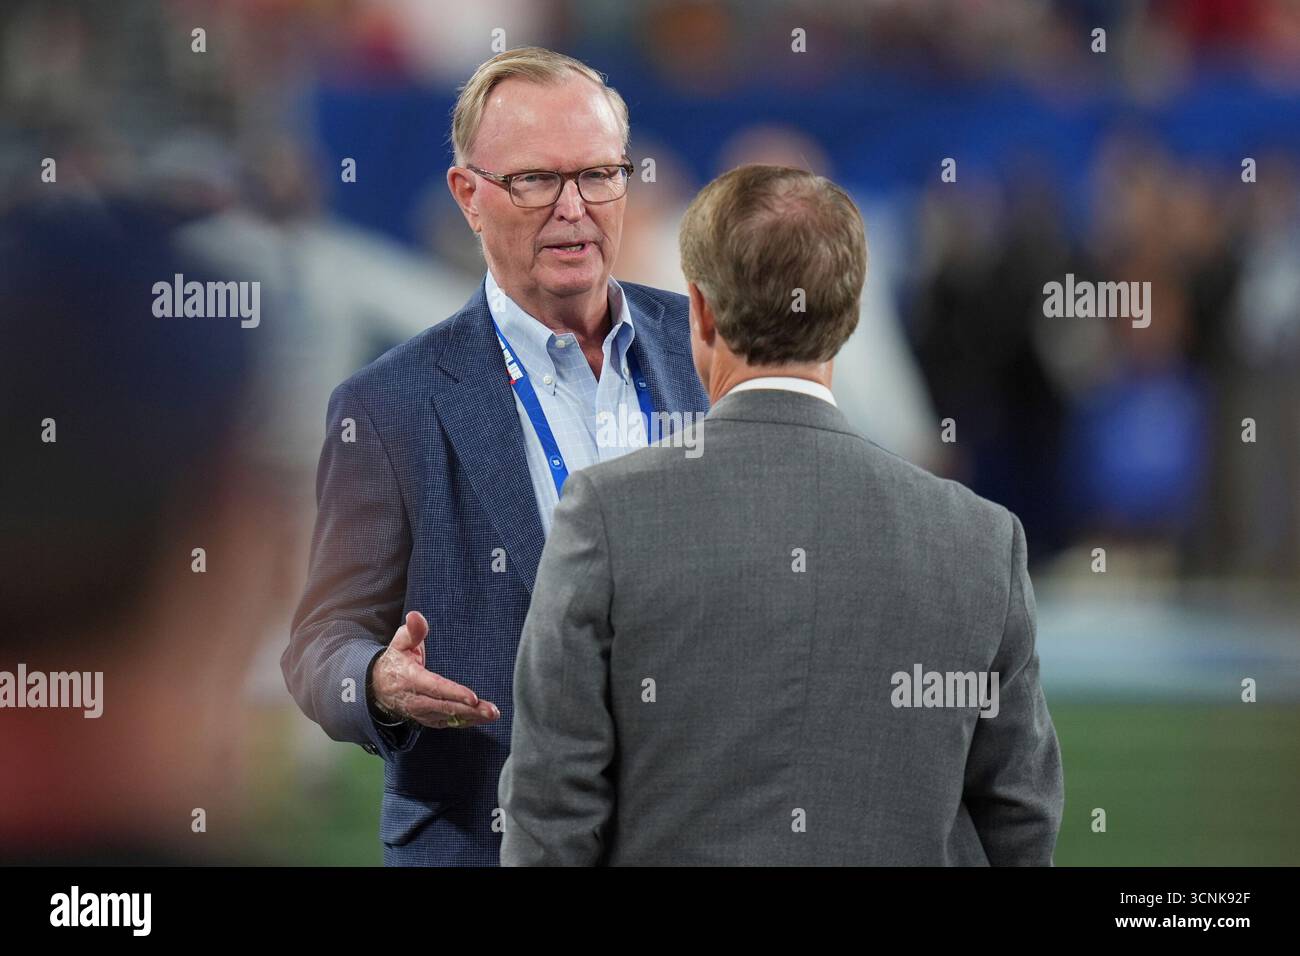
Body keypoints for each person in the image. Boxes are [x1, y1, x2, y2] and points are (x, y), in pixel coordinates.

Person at [499, 164, 1064, 865]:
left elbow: (551, 807)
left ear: (697, 310)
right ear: (851, 314)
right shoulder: (980, 540)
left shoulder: (606, 515)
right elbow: (1019, 817)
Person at [282, 47, 709, 866]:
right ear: (468, 195)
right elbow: (319, 642)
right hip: (486, 836)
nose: (574, 208)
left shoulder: (707, 345)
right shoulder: (387, 404)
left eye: (599, 175)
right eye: (535, 180)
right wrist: (375, 681)